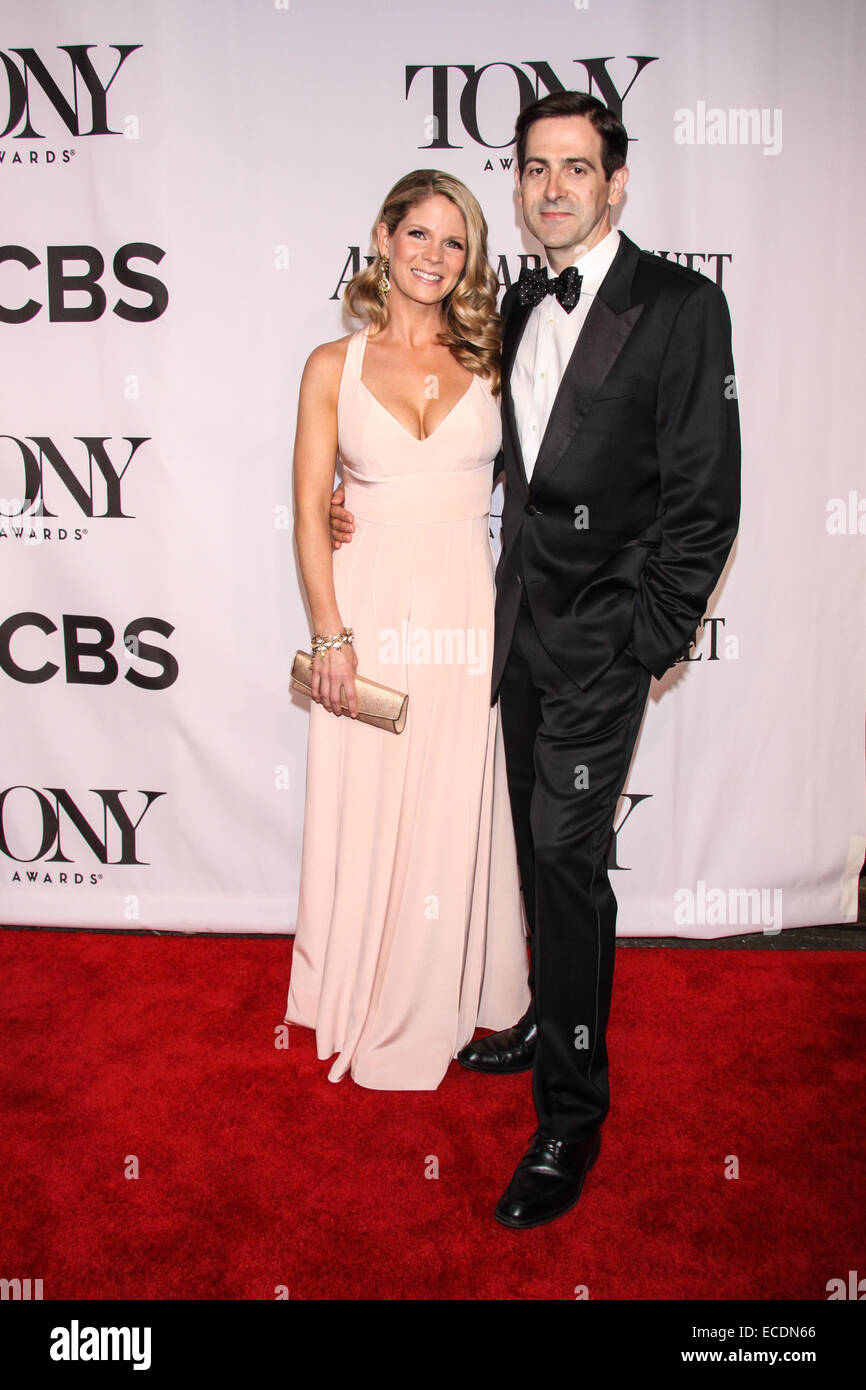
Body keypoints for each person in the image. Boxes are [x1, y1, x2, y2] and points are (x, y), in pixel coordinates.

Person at [329, 94, 740, 1221]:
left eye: (575, 168)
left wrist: (645, 644)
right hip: (503, 634)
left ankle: (569, 1118)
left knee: (564, 859)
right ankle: (539, 1013)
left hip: (604, 645)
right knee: (533, 853)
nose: (552, 187)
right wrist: (345, 498)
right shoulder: (510, 301)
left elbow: (705, 503)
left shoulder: (678, 305)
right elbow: (457, 447)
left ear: (614, 183)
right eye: (533, 169)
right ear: (517, 186)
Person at [284, 169, 530, 1090]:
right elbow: (311, 510)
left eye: (454, 240)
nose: (434, 254)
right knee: (371, 792)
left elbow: (546, 479)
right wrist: (331, 635)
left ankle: (455, 991)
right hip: (371, 603)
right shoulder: (329, 366)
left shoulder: (498, 357)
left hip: (468, 605)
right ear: (383, 239)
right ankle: (360, 985)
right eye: (418, 234)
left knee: (453, 796)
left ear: (471, 257)